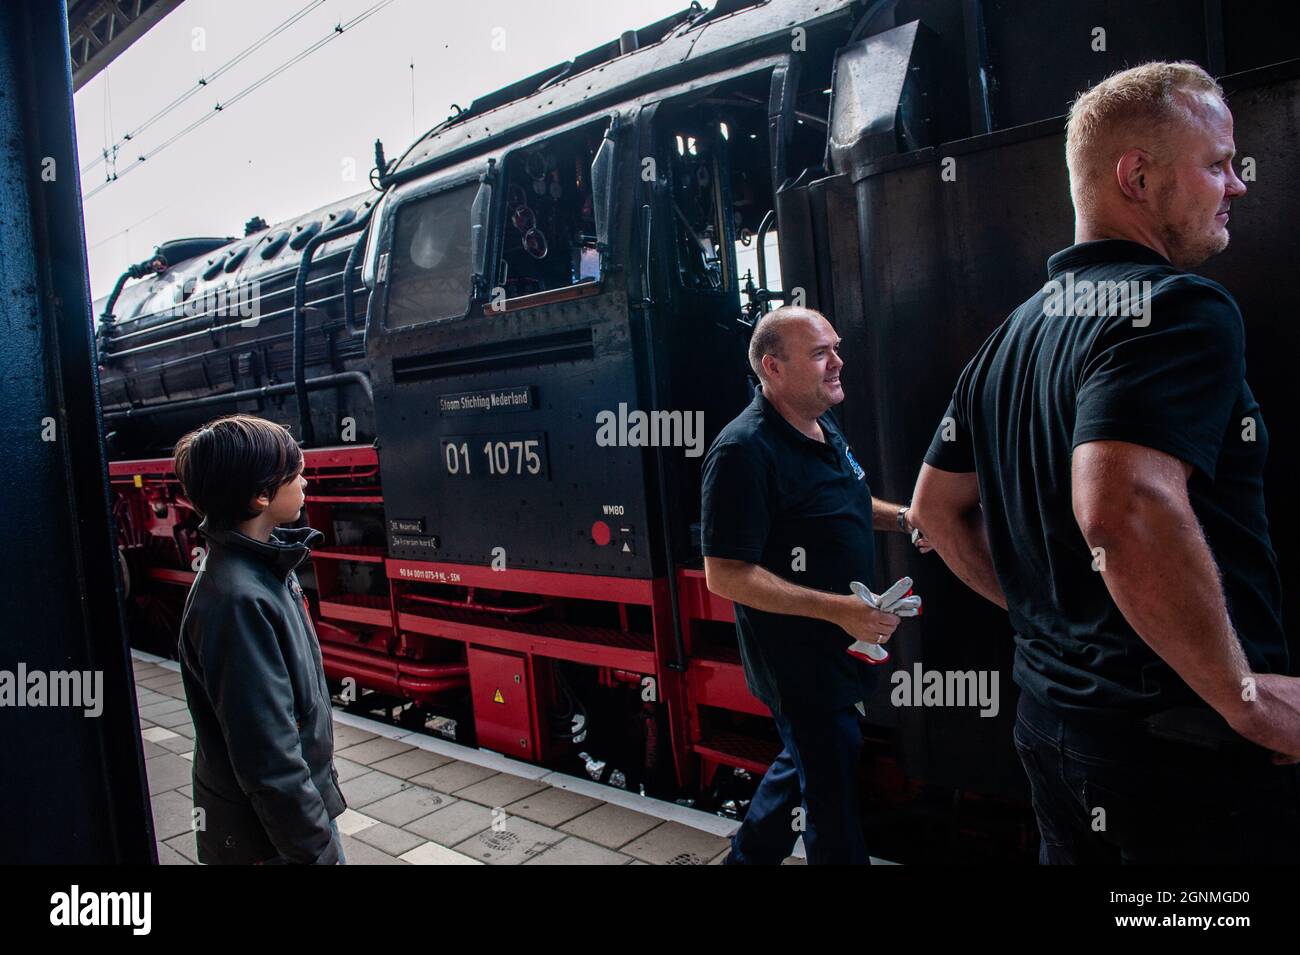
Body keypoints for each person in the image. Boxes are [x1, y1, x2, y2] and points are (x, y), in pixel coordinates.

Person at [910, 61, 1300, 863]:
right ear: (1137, 175)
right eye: (1218, 163)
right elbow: (1123, 510)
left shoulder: (1009, 338)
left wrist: (1048, 623)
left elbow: (933, 512)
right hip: (1178, 754)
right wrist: (1246, 698)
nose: (1238, 185)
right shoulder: (1180, 309)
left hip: (1053, 726)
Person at [701, 305, 925, 865]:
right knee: (832, 802)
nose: (837, 363)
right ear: (772, 368)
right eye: (820, 353)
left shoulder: (820, 424)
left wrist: (905, 519)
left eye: (835, 348)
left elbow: (845, 501)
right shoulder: (742, 452)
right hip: (796, 658)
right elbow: (725, 574)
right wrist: (837, 610)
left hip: (839, 647)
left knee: (804, 764)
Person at [172, 414, 346, 864]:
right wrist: (317, 850)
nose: (305, 481)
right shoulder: (238, 600)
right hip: (271, 842)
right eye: (296, 473)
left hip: (279, 827)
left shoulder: (258, 571)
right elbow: (268, 756)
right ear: (261, 494)